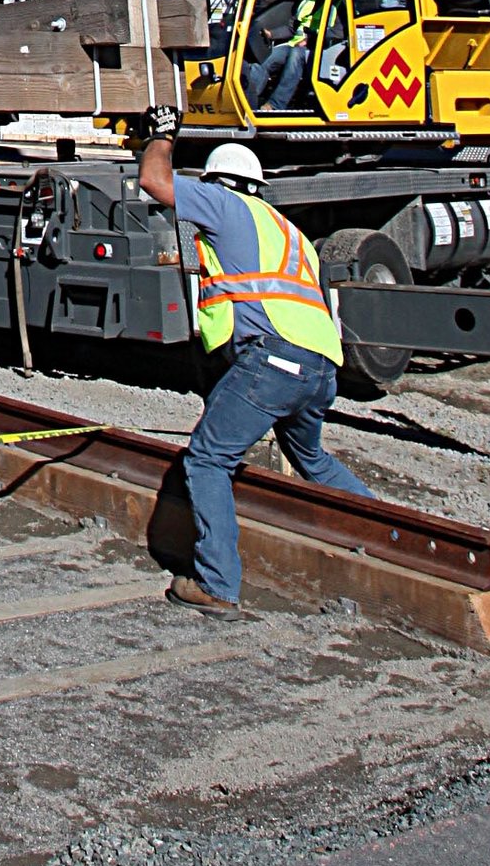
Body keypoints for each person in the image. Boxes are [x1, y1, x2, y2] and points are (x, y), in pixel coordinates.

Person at [137, 125, 377, 614]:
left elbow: (154, 181)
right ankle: (386, 533)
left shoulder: (225, 205)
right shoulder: (290, 231)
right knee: (313, 459)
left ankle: (217, 585)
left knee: (207, 459)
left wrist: (161, 136)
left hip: (274, 361)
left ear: (218, 182)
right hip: (320, 367)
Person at [242, 0, 330, 109]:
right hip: (294, 45)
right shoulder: (306, 2)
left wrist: (311, 40)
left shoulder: (338, 3)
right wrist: (271, 34)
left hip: (318, 48)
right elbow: (292, 28)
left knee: (295, 56)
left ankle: (276, 105)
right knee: (268, 58)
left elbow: (337, 33)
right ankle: (249, 98)